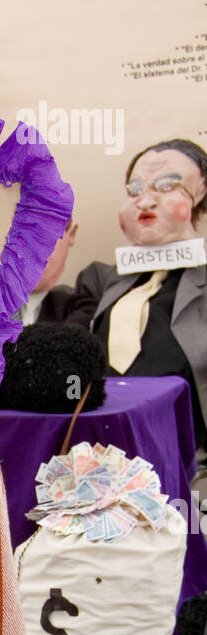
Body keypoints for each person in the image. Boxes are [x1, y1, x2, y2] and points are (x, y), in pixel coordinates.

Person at [67, 140, 207, 458]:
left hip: (185, 465)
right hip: (96, 460)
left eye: (167, 186)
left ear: (199, 196)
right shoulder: (98, 281)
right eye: (134, 190)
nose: (146, 201)